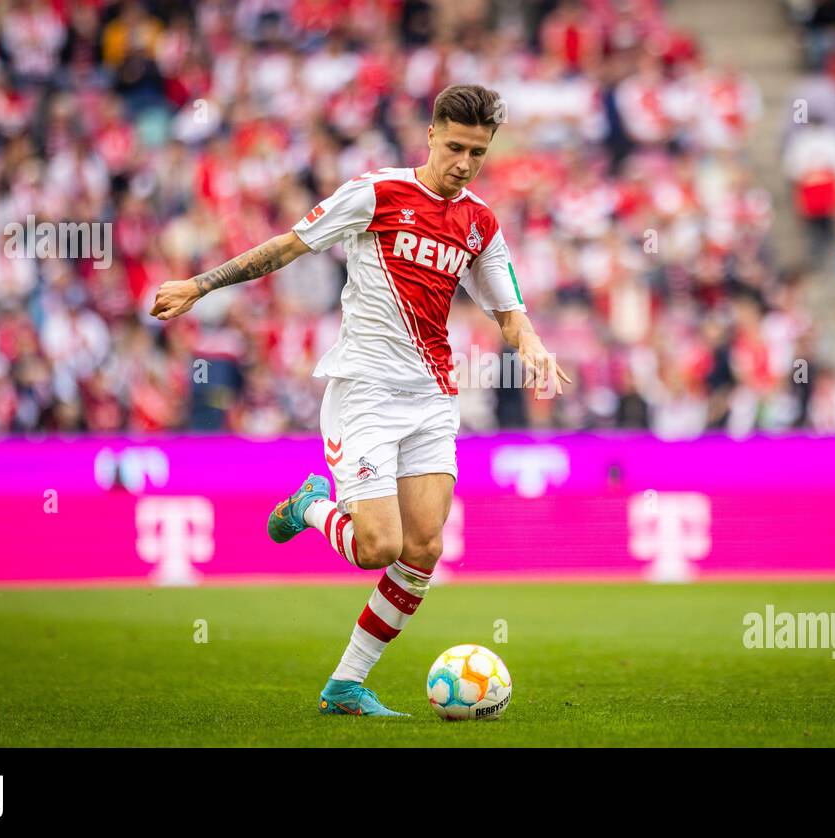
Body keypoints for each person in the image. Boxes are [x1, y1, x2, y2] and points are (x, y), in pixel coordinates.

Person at [149, 85, 571, 716]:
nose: (463, 162)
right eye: (454, 146)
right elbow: (288, 246)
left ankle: (345, 684)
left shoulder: (480, 222)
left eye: (477, 152)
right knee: (378, 546)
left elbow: (509, 308)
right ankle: (313, 505)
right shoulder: (376, 194)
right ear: (431, 135)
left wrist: (533, 345)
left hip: (432, 396)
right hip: (366, 390)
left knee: (423, 550)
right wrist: (201, 284)